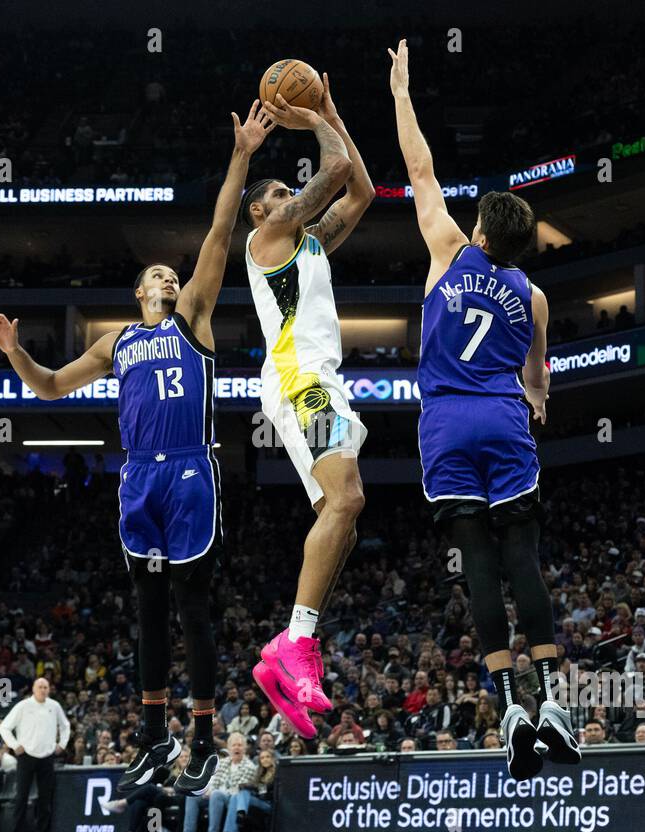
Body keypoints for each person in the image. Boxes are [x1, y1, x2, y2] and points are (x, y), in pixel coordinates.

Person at [0, 102, 275, 799]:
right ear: (139, 292)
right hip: (137, 476)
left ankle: (203, 739)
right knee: (146, 609)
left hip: (189, 469)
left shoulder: (195, 318)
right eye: (159, 278)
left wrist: (241, 155)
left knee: (192, 604)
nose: (170, 281)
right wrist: (14, 351)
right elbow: (51, 388)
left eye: (174, 277)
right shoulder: (116, 343)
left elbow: (220, 227)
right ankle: (154, 737)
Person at [387, 37, 576, 783]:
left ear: (482, 232)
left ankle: (507, 705)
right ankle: (551, 699)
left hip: (444, 425)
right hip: (503, 420)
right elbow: (539, 381)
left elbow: (421, 169)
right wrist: (537, 401)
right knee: (522, 558)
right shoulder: (533, 295)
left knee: (479, 568)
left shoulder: (445, 251)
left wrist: (402, 94)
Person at [242, 74, 374, 740]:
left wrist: (332, 108)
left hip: (325, 383)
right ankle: (295, 641)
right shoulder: (267, 241)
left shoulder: (310, 242)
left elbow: (363, 189)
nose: (289, 196)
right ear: (260, 215)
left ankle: (287, 656)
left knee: (341, 515)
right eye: (278, 195)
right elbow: (339, 166)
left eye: (289, 193)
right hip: (302, 384)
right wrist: (311, 115)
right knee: (346, 500)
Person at [0, 677, 70, 832]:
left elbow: (65, 726)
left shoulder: (54, 706)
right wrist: (14, 745)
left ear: (49, 689)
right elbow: (4, 727)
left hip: (47, 756)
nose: (43, 690)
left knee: (45, 798)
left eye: (46, 687)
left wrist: (62, 744)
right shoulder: (23, 706)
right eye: (40, 687)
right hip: (26, 756)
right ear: (33, 688)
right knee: (21, 797)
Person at [173, 732, 258, 832]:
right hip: (216, 794)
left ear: (245, 748)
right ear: (228, 748)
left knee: (217, 794)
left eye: (240, 745)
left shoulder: (249, 766)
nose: (237, 748)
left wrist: (215, 792)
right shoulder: (222, 762)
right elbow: (215, 782)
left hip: (233, 798)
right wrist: (209, 791)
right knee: (192, 795)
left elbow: (237, 790)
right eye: (234, 745)